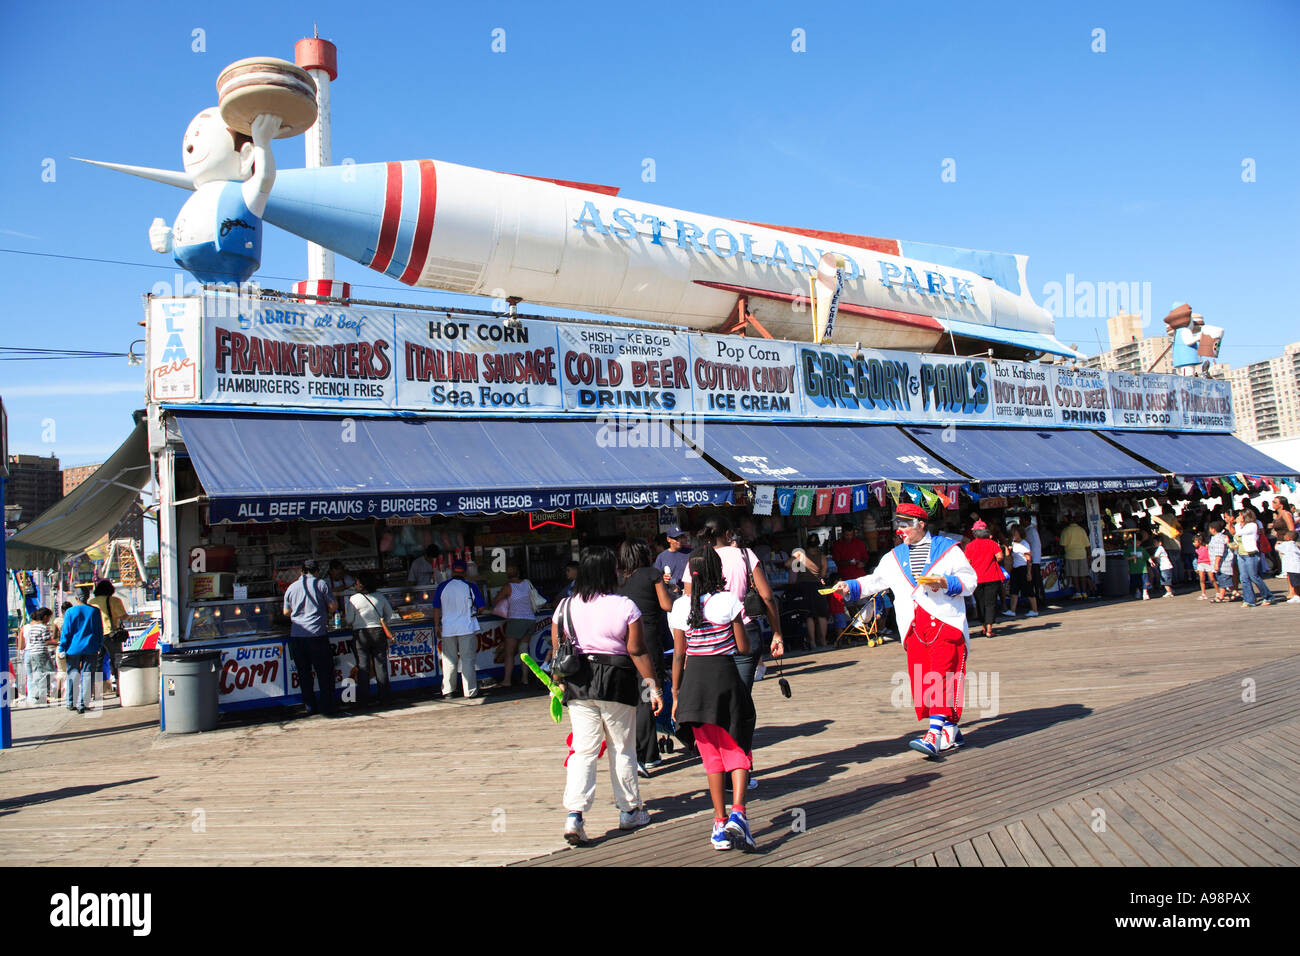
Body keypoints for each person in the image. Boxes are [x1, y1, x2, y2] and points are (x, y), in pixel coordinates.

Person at [836, 502, 976, 757]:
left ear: (920, 525)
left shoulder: (949, 550)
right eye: (898, 525)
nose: (901, 531)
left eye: (905, 525)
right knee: (923, 680)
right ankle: (950, 729)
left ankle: (934, 734)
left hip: (945, 621)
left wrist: (945, 582)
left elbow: (970, 581)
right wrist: (849, 586)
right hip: (913, 627)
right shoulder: (893, 557)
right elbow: (875, 581)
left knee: (942, 676)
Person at [553, 546, 662, 846]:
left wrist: (557, 683)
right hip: (617, 681)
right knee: (622, 748)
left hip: (578, 685)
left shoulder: (564, 607)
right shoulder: (624, 606)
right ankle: (629, 810)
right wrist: (653, 687)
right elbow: (637, 650)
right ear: (610, 571)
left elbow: (558, 652)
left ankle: (575, 814)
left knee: (583, 751)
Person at [670, 546, 758, 851]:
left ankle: (719, 824)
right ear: (716, 571)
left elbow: (679, 655)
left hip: (694, 685)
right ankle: (739, 813)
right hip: (725, 680)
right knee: (737, 747)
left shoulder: (680, 607)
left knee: (712, 758)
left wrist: (675, 694)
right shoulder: (727, 601)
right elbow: (743, 647)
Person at [699, 516, 784, 688]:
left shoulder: (697, 559)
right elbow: (767, 596)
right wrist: (776, 633)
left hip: (710, 634)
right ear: (729, 534)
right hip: (745, 630)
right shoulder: (745, 555)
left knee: (720, 693)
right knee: (742, 692)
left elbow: (689, 598)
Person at [618, 539, 674, 775]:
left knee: (640, 697)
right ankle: (642, 754)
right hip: (649, 642)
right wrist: (671, 591)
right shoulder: (653, 574)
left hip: (626, 643)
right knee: (648, 697)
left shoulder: (621, 580)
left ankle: (651, 753)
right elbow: (666, 605)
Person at [282, 559, 339, 716]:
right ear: (316, 571)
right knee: (324, 673)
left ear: (301, 572)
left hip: (297, 636)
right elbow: (333, 606)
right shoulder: (321, 584)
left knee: (304, 674)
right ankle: (327, 707)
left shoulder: (291, 587)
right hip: (316, 634)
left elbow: (285, 612)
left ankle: (310, 707)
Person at [343, 573, 399, 707]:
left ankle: (363, 700)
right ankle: (384, 698)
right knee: (381, 666)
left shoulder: (354, 599)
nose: (355, 585)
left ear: (361, 584)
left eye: (356, 583)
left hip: (361, 633)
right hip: (378, 632)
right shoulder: (379, 596)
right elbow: (389, 614)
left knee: (363, 667)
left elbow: (349, 620)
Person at [434, 559, 486, 698]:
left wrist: (436, 625)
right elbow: (481, 607)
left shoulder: (442, 586)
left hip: (448, 628)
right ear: (465, 571)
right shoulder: (470, 586)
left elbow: (436, 608)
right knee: (467, 659)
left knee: (449, 660)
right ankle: (470, 691)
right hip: (466, 628)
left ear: (452, 571)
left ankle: (448, 691)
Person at [496, 564, 541, 689]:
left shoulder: (508, 586)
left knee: (509, 653)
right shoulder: (527, 583)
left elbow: (496, 601)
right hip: (530, 620)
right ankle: (525, 678)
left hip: (516, 621)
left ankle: (507, 680)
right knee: (524, 651)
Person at [58, 590, 103, 714]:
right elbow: (99, 631)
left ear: (76, 598)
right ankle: (83, 703)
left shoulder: (70, 612)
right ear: (88, 597)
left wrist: (62, 648)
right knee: (88, 674)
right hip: (91, 647)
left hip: (73, 648)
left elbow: (66, 632)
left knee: (73, 674)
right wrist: (99, 646)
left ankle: (70, 702)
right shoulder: (95, 611)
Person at [963, 519, 1006, 639]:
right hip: (992, 576)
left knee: (980, 603)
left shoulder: (970, 545)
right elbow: (1000, 557)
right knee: (990, 603)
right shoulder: (992, 543)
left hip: (977, 578)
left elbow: (967, 562)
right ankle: (989, 629)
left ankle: (983, 627)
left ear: (975, 533)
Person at [788, 536, 829, 649]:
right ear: (818, 544)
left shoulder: (802, 555)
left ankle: (812, 642)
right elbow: (823, 574)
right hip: (818, 586)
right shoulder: (822, 557)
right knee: (822, 615)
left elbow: (787, 564)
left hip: (804, 587)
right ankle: (824, 640)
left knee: (809, 615)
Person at [88, 579, 128, 697]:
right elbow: (123, 616)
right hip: (112, 635)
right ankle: (119, 689)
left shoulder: (92, 602)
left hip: (96, 636)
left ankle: (97, 692)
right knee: (116, 661)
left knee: (97, 663)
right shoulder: (115, 600)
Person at [1233, 508, 1271, 608]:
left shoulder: (1253, 525)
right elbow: (1236, 536)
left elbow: (1240, 533)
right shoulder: (1240, 526)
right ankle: (1249, 600)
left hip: (1251, 554)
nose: (1239, 517)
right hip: (1241, 554)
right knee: (1244, 578)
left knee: (1254, 576)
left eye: (1240, 515)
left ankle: (1268, 596)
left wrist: (1237, 524)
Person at [19, 608, 56, 705]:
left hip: (32, 652)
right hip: (41, 652)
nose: (49, 620)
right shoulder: (44, 628)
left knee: (36, 673)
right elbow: (47, 640)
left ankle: (36, 693)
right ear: (45, 617)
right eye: (49, 617)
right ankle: (40, 694)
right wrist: (57, 643)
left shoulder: (32, 627)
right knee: (49, 672)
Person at [1003, 525, 1039, 618]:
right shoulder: (1013, 543)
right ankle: (1012, 610)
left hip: (1023, 568)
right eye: (1012, 532)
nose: (1013, 534)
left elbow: (1028, 559)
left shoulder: (1025, 543)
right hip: (1015, 568)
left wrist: (1029, 572)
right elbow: (1009, 556)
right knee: (1013, 590)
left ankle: (1035, 610)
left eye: (1015, 532)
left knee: (1028, 590)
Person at [653, 526, 692, 599]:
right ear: (668, 539)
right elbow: (656, 579)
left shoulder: (691, 553)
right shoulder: (661, 557)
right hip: (671, 595)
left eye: (681, 537)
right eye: (676, 538)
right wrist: (663, 579)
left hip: (690, 594)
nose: (679, 540)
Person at [1059, 515, 1091, 600]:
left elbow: (1062, 545)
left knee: (1074, 575)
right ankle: (1084, 593)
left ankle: (1077, 593)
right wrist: (1089, 555)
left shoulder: (1066, 531)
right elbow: (1087, 545)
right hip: (1082, 554)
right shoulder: (1081, 530)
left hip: (1071, 555)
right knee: (1083, 575)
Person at [1208, 520, 1234, 603]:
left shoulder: (1218, 538)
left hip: (1223, 565)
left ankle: (1221, 596)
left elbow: (1219, 552)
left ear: (1213, 529)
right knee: (1225, 580)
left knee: (1223, 581)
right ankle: (1234, 593)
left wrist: (1216, 564)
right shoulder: (1219, 537)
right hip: (1221, 564)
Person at [1276, 529, 1300, 603]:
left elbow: (1277, 548)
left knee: (1294, 583)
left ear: (1289, 538)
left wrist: (1277, 543)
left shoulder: (1286, 544)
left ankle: (1296, 596)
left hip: (1291, 567)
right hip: (1297, 566)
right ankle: (1297, 595)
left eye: (1285, 535)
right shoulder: (1295, 545)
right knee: (1297, 582)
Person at [1193, 534, 1212, 600]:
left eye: (1195, 542)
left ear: (1200, 541)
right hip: (1200, 564)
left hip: (1208, 563)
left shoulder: (1206, 547)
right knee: (1201, 579)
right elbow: (1195, 559)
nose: (1194, 543)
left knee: (1212, 579)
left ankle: (1218, 591)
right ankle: (1203, 594)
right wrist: (1195, 567)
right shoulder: (1196, 550)